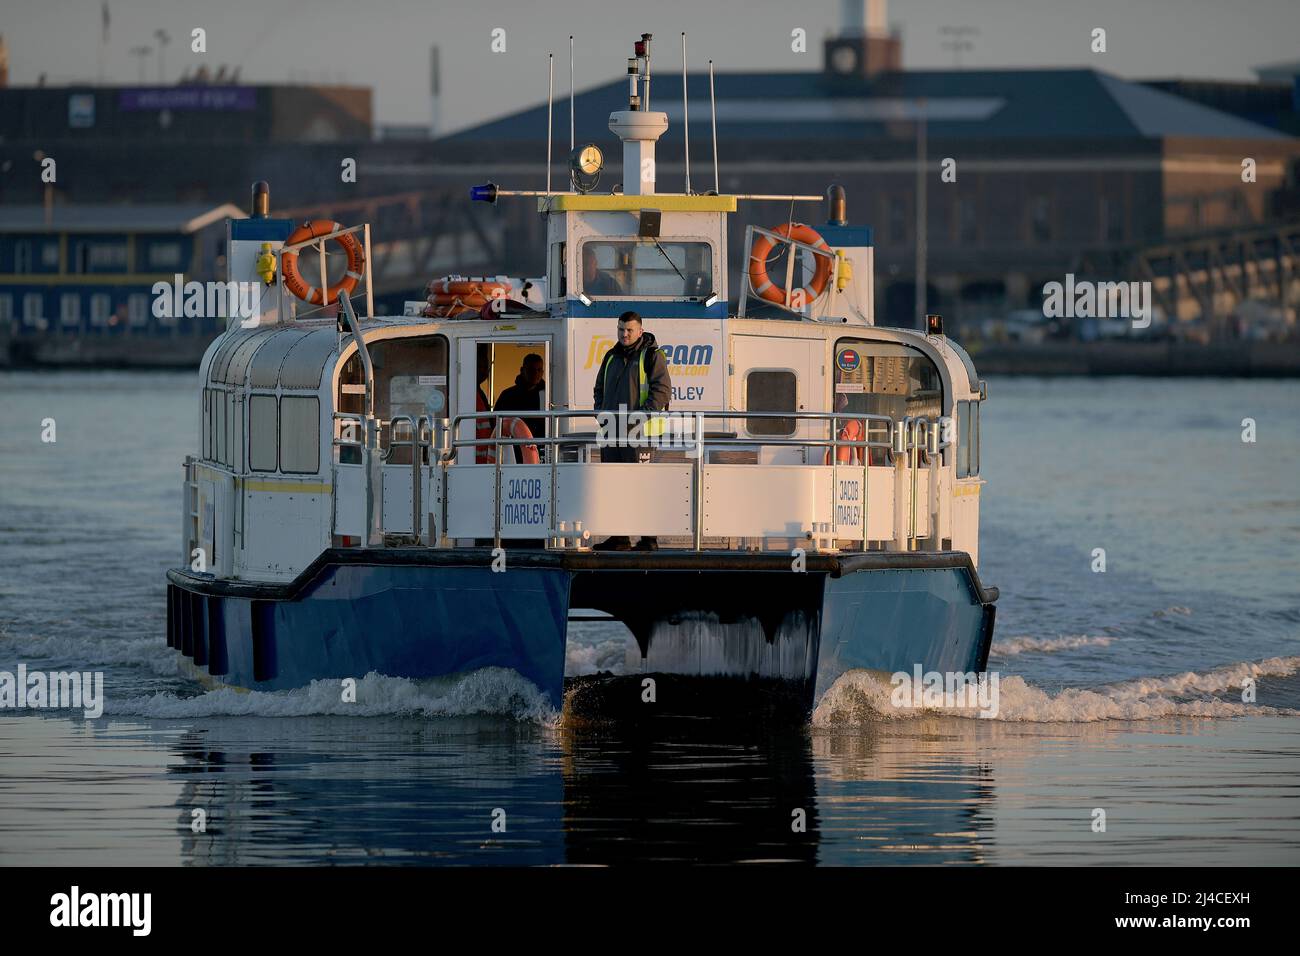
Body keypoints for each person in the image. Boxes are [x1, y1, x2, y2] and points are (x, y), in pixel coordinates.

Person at [592, 311, 671, 552]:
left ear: (640, 330)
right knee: (615, 485)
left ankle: (649, 540)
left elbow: (662, 391)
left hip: (640, 434)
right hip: (612, 432)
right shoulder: (611, 356)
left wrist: (640, 417)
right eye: (620, 330)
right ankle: (620, 537)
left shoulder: (652, 356)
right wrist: (601, 413)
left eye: (629, 330)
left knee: (641, 486)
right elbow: (599, 389)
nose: (624, 334)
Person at [494, 353, 546, 459]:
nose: (535, 373)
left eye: (539, 370)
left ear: (543, 372)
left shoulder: (547, 397)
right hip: (513, 453)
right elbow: (496, 424)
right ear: (522, 370)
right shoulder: (507, 396)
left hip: (541, 450)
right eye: (531, 369)